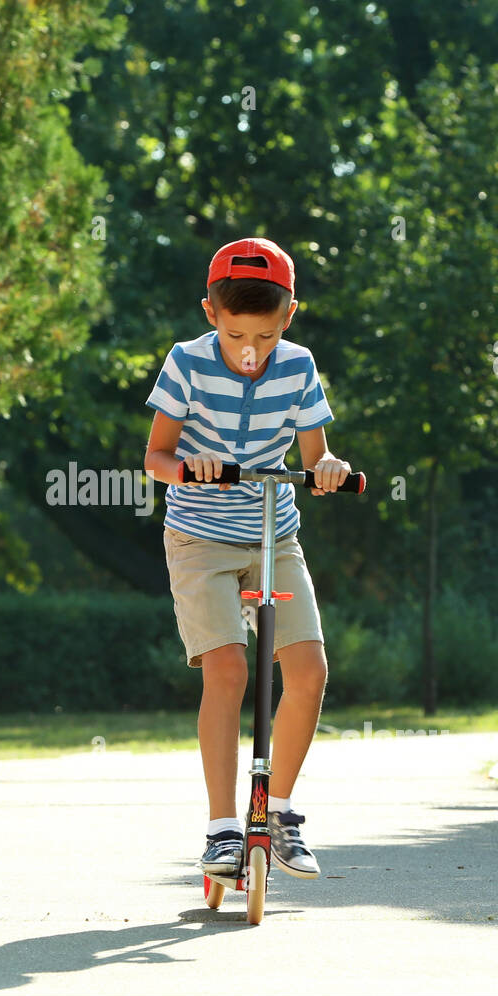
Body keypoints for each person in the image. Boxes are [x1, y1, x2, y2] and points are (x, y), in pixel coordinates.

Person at [143, 237, 350, 879]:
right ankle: (223, 829)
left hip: (272, 533)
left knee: (309, 670)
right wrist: (189, 469)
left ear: (289, 316)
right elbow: (155, 458)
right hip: (200, 537)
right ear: (211, 314)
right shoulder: (184, 363)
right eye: (236, 336)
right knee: (228, 671)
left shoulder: (299, 366)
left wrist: (329, 468)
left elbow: (315, 458)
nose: (250, 353)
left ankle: (280, 812)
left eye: (263, 335)